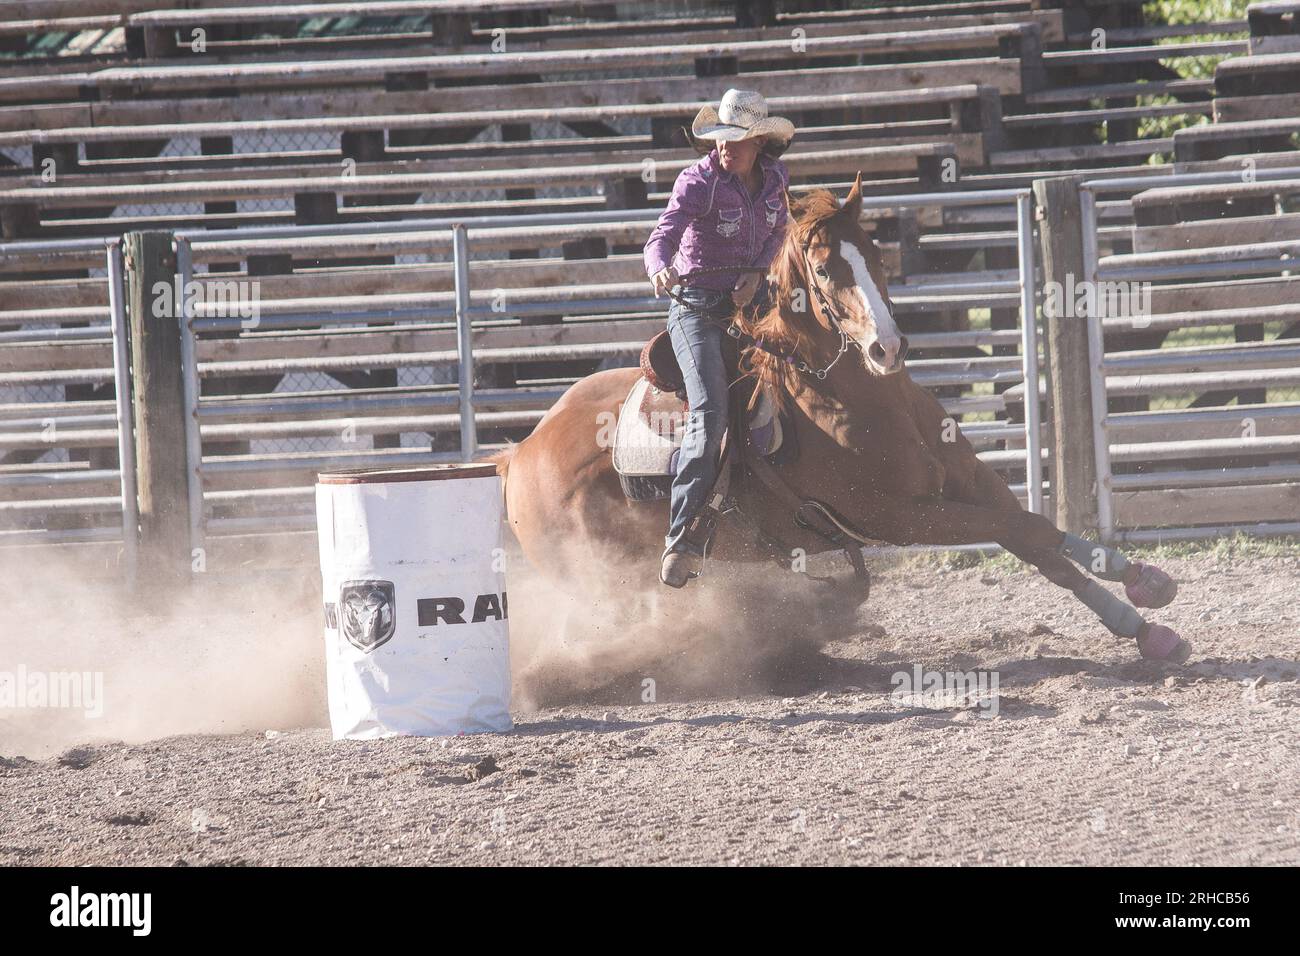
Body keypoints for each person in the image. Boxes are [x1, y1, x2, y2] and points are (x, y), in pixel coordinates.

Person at [643, 89, 794, 588]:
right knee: (708, 413)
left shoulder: (775, 180)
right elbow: (662, 235)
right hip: (696, 311)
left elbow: (778, 233)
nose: (725, 147)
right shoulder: (698, 182)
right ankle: (682, 535)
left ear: (758, 143)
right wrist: (660, 268)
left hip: (751, 309)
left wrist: (758, 270)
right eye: (721, 138)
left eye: (737, 139)